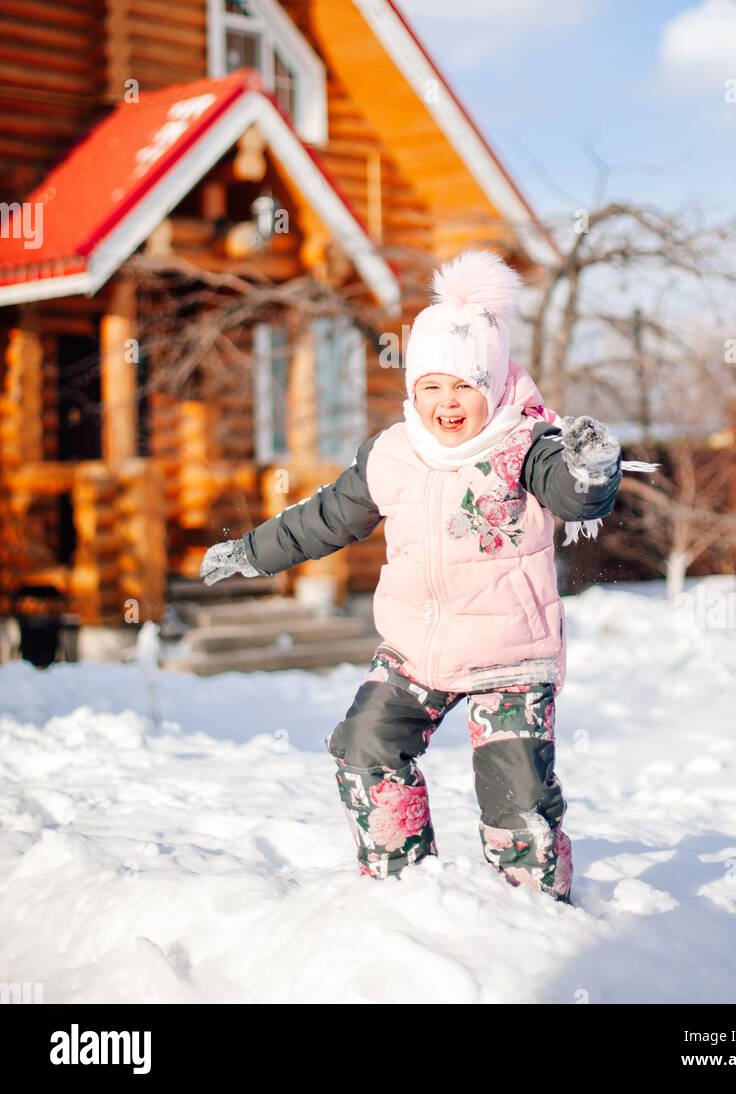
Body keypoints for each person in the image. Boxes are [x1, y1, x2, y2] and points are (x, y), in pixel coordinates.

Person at [200, 248, 623, 904]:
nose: (447, 403)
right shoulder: (392, 453)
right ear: (412, 390)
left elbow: (575, 496)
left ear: (493, 387)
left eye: (464, 387)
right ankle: (406, 889)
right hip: (414, 652)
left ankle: (535, 915)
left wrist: (591, 468)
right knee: (364, 749)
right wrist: (253, 551)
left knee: (516, 797)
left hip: (508, 659)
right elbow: (324, 518)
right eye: (432, 386)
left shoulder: (527, 448)